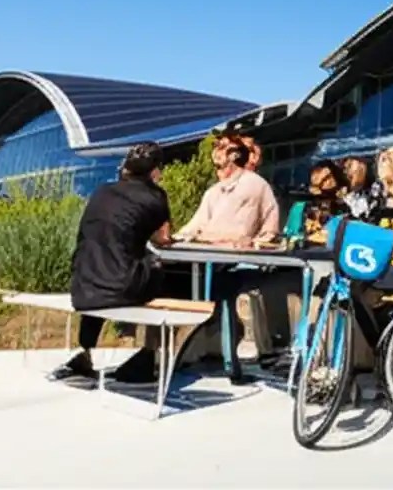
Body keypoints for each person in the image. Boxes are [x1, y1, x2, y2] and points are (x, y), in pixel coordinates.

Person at [55, 142, 183, 383]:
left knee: (104, 268)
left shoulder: (102, 191)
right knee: (167, 274)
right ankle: (150, 354)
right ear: (155, 171)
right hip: (120, 288)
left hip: (83, 286)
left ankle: (85, 352)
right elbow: (162, 239)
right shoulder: (155, 196)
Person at [175, 133, 282, 362]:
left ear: (233, 155)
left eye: (222, 146)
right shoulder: (214, 191)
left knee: (216, 284)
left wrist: (202, 237)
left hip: (240, 261)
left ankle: (219, 346)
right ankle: (195, 344)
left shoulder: (252, 185)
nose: (215, 150)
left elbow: (241, 233)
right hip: (213, 260)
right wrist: (175, 239)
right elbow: (195, 225)